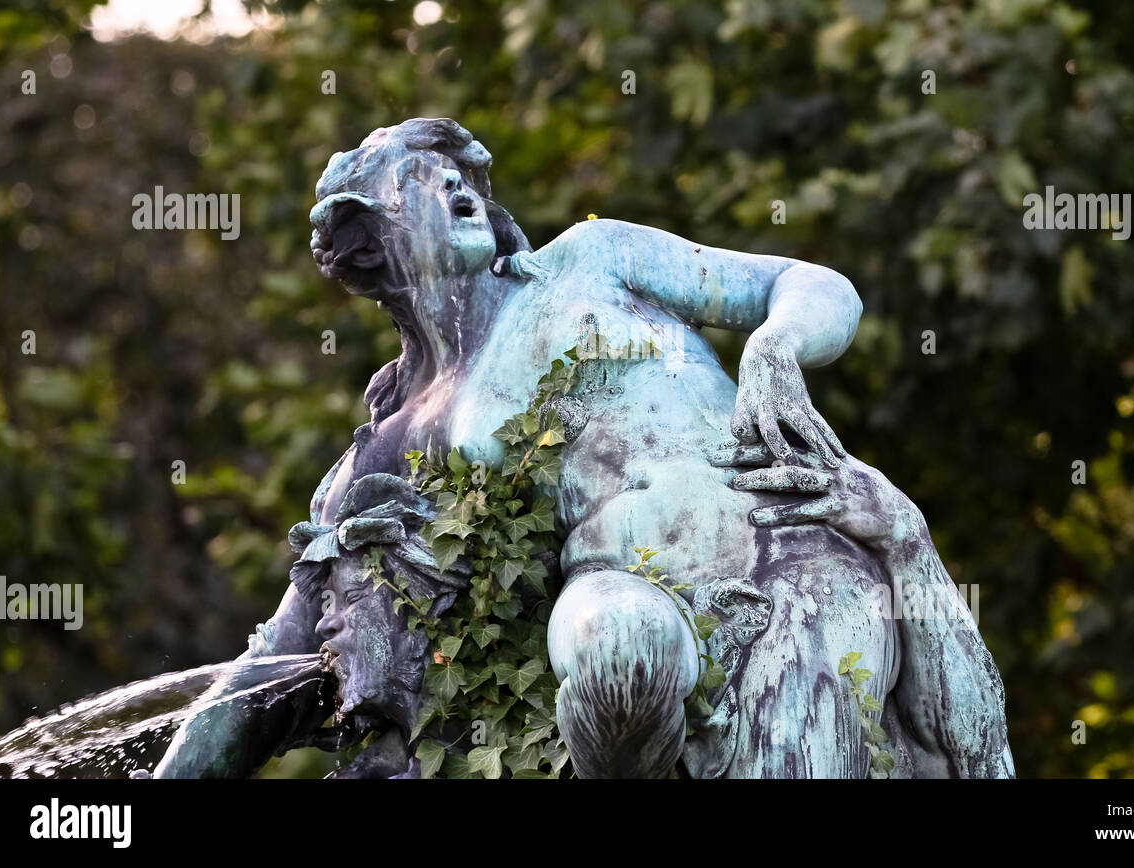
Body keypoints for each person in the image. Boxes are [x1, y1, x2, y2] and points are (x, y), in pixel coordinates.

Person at [155, 118, 1012, 778]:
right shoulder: (400, 433)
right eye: (422, 179)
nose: (457, 186)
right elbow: (274, 665)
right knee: (617, 650)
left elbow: (810, 284)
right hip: (628, 593)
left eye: (463, 176)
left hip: (802, 553)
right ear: (367, 237)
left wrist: (777, 347)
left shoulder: (590, 261)